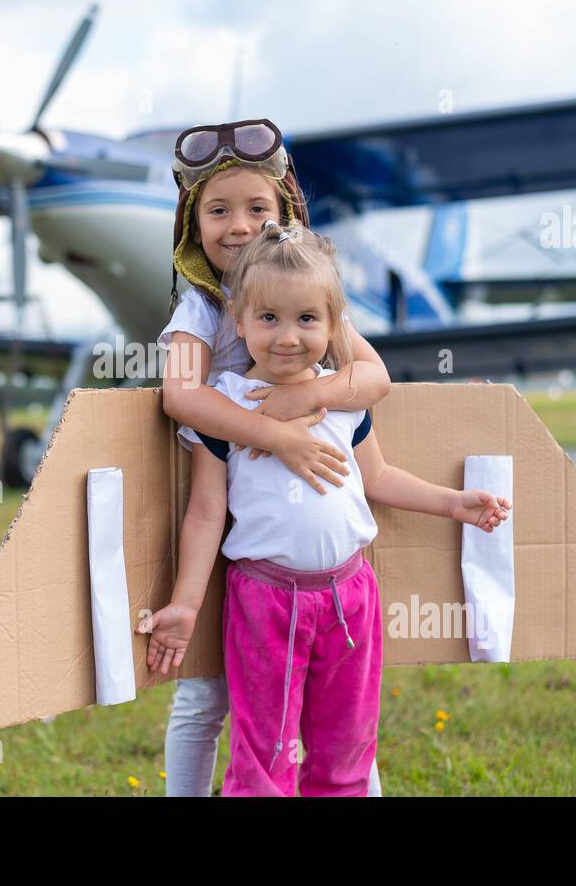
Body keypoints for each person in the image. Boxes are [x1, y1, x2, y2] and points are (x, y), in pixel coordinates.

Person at [141, 223, 511, 796]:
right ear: (237, 322)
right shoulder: (224, 411)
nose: (288, 337)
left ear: (335, 326)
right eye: (269, 319)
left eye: (307, 319)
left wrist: (454, 503)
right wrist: (186, 605)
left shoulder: (345, 400)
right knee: (264, 760)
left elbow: (378, 478)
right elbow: (206, 514)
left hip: (350, 598)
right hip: (265, 604)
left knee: (346, 751)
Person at [155, 118, 392, 796]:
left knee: (342, 713)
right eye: (218, 210)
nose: (238, 225)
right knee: (208, 698)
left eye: (257, 208)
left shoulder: (303, 295)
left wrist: (308, 398)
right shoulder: (198, 312)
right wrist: (277, 433)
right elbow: (180, 396)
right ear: (190, 224)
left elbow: (374, 377)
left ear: (283, 211)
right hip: (227, 523)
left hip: (314, 549)